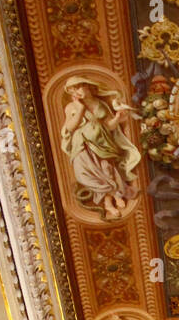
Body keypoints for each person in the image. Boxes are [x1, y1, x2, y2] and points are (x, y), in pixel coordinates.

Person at [60, 77, 141, 220]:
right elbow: (69, 128)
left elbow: (109, 126)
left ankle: (110, 201)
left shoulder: (101, 104)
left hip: (102, 144)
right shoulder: (72, 107)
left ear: (88, 86)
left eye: (78, 88)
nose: (76, 92)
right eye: (72, 91)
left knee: (107, 170)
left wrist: (117, 117)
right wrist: (80, 109)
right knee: (84, 175)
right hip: (82, 145)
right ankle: (114, 195)